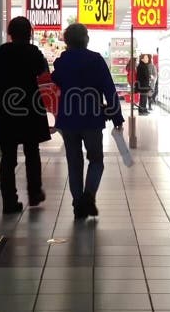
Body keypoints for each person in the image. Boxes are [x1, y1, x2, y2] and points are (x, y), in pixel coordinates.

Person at [52, 24, 124, 220]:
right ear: (86, 39)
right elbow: (109, 89)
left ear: (67, 41)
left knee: (74, 163)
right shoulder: (96, 60)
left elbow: (55, 80)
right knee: (96, 160)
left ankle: (78, 204)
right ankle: (89, 196)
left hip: (68, 120)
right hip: (92, 119)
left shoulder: (62, 61)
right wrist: (117, 117)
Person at [0, 17, 50, 214]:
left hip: (6, 112)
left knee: (8, 158)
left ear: (10, 33)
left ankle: (9, 201)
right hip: (30, 110)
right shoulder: (34, 53)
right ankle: (34, 193)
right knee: (32, 152)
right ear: (29, 33)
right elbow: (44, 76)